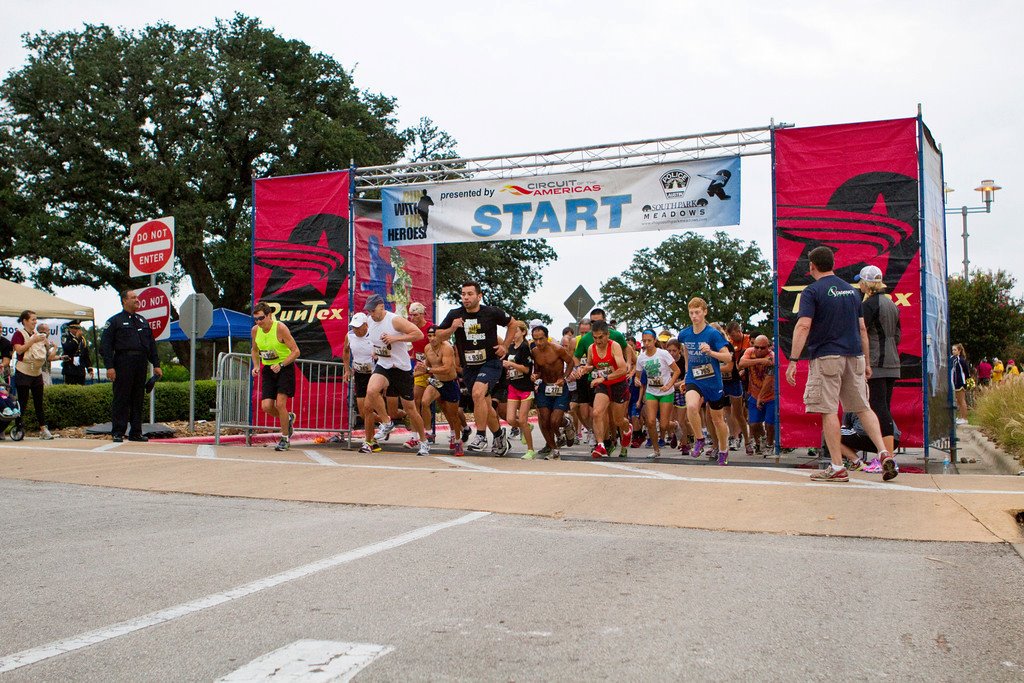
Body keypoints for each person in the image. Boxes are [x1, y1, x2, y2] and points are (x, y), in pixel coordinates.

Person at [785, 246, 897, 482]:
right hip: (854, 356)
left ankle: (837, 466)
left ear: (812, 266)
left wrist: (793, 360)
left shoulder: (812, 291)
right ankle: (885, 453)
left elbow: (804, 325)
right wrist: (867, 362)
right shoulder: (852, 291)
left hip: (827, 357)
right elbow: (862, 329)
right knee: (863, 407)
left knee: (828, 410)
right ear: (833, 263)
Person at [436, 282, 516, 456]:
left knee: (478, 394)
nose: (465, 297)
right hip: (469, 366)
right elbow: (437, 336)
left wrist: (506, 346)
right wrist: (452, 328)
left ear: (479, 296)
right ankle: (499, 435)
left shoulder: (491, 312)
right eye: (463, 294)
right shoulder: (454, 315)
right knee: (484, 406)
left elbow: (513, 324)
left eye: (470, 294)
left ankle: (480, 436)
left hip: (491, 362)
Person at [363, 294, 431, 456]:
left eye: (373, 310)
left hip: (401, 368)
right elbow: (375, 341)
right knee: (372, 391)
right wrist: (375, 351)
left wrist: (395, 338)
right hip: (384, 365)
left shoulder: (394, 320)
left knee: (410, 409)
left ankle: (424, 442)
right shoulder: (369, 320)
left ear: (381, 306)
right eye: (369, 311)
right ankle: (387, 422)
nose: (371, 313)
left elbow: (419, 335)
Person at [100, 292, 162, 443]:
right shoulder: (115, 321)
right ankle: (118, 432)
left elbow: (151, 344)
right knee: (121, 398)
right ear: (124, 300)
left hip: (140, 362)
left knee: (137, 398)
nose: (137, 300)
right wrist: (110, 367)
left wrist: (156, 364)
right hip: (123, 362)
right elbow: (105, 346)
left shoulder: (142, 321)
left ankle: (136, 432)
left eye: (137, 298)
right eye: (133, 298)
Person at [678, 298, 731, 465]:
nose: (694, 316)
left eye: (697, 312)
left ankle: (723, 449)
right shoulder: (684, 334)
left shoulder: (712, 334)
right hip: (694, 378)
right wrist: (687, 374)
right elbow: (686, 351)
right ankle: (699, 439)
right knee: (692, 406)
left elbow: (728, 357)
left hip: (713, 381)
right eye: (691, 313)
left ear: (704, 312)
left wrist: (711, 352)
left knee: (717, 420)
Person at [856, 264, 901, 455]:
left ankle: (887, 457)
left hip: (876, 362)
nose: (859, 285)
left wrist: (865, 360)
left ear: (867, 283)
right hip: (892, 361)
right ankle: (886, 456)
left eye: (861, 281)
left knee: (879, 409)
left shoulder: (869, 304)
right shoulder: (891, 304)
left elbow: (861, 331)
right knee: (884, 408)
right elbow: (898, 334)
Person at [249, 301, 300, 451]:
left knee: (280, 404)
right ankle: (288, 418)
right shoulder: (255, 330)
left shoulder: (280, 328)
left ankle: (284, 438)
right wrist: (257, 366)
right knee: (266, 406)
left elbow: (296, 351)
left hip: (284, 368)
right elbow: (254, 350)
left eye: (261, 318)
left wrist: (282, 364)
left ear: (269, 315)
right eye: (256, 319)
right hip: (269, 370)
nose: (259, 322)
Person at [583, 320, 632, 458]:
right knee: (597, 413)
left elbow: (622, 370)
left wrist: (603, 378)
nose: (598, 341)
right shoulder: (591, 348)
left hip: (618, 385)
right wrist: (585, 369)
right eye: (595, 337)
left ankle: (627, 429)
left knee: (617, 421)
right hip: (604, 385)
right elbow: (590, 365)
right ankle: (601, 445)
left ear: (607, 335)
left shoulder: (614, 346)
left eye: (601, 337)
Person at [531, 324, 575, 459]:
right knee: (544, 420)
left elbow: (571, 362)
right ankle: (554, 450)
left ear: (547, 337)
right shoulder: (535, 352)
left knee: (555, 421)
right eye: (535, 339)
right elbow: (538, 369)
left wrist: (564, 377)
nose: (539, 342)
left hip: (559, 387)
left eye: (541, 339)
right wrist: (535, 375)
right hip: (545, 388)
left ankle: (566, 423)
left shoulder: (558, 349)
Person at [421, 325, 466, 456]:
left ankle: (457, 440)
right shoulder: (427, 348)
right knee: (424, 402)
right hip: (436, 381)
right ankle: (428, 432)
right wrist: (422, 367)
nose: (432, 338)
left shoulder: (447, 348)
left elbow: (446, 368)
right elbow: (428, 364)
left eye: (434, 335)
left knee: (453, 415)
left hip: (450, 382)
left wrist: (428, 370)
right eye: (429, 336)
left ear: (440, 335)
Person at [11, 311, 57, 439]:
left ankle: (43, 429)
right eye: (33, 319)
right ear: (25, 321)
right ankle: (19, 427)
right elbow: (19, 350)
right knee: (22, 402)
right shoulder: (18, 334)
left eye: (36, 319)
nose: (35, 322)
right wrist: (32, 341)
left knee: (39, 402)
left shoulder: (38, 335)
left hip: (37, 372)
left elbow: (49, 354)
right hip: (23, 371)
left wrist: (53, 347)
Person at [637, 329, 680, 458]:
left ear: (655, 341)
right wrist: (636, 380)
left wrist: (669, 385)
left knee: (663, 424)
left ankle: (675, 425)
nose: (647, 343)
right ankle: (656, 450)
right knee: (650, 422)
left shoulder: (663, 354)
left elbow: (677, 371)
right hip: (651, 391)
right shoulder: (641, 357)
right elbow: (638, 376)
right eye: (644, 341)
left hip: (666, 392)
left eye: (649, 340)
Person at [343, 312, 379, 451]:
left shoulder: (373, 335)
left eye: (358, 327)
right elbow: (346, 351)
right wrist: (347, 369)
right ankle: (384, 422)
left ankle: (368, 441)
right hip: (360, 374)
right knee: (364, 412)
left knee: (369, 408)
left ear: (366, 326)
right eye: (353, 327)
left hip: (374, 374)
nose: (355, 330)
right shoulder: (350, 335)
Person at [503, 321, 536, 459]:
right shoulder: (510, 347)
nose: (513, 334)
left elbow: (527, 369)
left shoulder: (524, 347)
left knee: (522, 419)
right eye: (511, 331)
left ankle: (530, 450)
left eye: (516, 331)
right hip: (513, 385)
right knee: (510, 419)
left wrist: (511, 364)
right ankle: (526, 426)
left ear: (523, 332)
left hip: (525, 387)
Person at [738, 335, 776, 455]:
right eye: (757, 347)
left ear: (768, 347)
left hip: (770, 394)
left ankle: (770, 444)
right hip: (754, 392)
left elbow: (769, 379)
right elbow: (741, 363)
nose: (759, 350)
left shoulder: (772, 357)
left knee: (770, 424)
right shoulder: (750, 351)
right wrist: (760, 361)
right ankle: (763, 438)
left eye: (762, 348)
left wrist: (761, 397)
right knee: (753, 424)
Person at [407, 302, 435, 441]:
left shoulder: (431, 328)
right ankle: (415, 434)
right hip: (420, 368)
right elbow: (413, 349)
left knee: (446, 405)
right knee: (416, 400)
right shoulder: (410, 328)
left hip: (434, 369)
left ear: (423, 314)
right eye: (411, 315)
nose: (413, 318)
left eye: (415, 315)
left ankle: (461, 429)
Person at [724, 321, 752, 452]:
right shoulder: (726, 344)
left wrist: (741, 369)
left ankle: (747, 439)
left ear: (739, 331)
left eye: (734, 335)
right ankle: (734, 436)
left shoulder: (748, 340)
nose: (733, 338)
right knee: (727, 411)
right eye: (730, 336)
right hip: (726, 380)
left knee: (740, 412)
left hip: (742, 378)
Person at [61, 320, 93, 386]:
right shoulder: (65, 337)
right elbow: (68, 348)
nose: (77, 330)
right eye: (75, 328)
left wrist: (89, 368)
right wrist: (76, 338)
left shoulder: (82, 339)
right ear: (70, 329)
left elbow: (86, 354)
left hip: (80, 369)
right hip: (70, 369)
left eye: (78, 328)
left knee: (81, 388)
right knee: (70, 388)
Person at [950, 343, 970, 425]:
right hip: (954, 382)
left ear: (959, 351)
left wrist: (966, 380)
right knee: (958, 401)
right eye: (952, 350)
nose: (953, 351)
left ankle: (964, 418)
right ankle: (960, 416)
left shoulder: (961, 360)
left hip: (960, 382)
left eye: (955, 350)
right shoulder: (953, 359)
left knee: (962, 400)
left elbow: (966, 372)